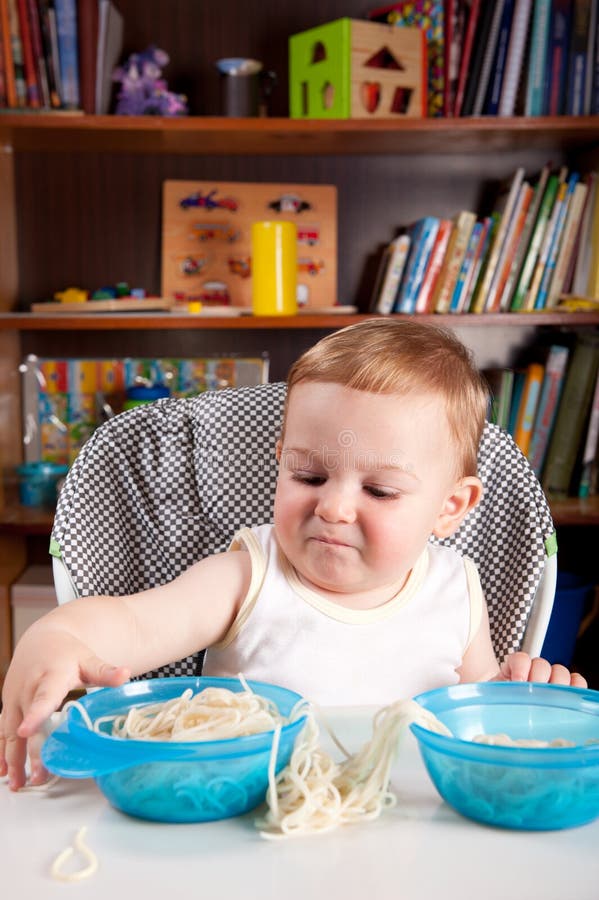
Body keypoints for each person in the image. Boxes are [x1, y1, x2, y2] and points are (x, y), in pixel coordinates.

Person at [0, 319, 586, 790]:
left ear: (451, 508)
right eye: (307, 475)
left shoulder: (456, 588)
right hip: (247, 822)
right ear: (280, 459)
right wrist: (59, 639)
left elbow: (475, 718)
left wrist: (520, 689)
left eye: (379, 491)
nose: (333, 508)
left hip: (404, 830)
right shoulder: (250, 575)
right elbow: (131, 622)